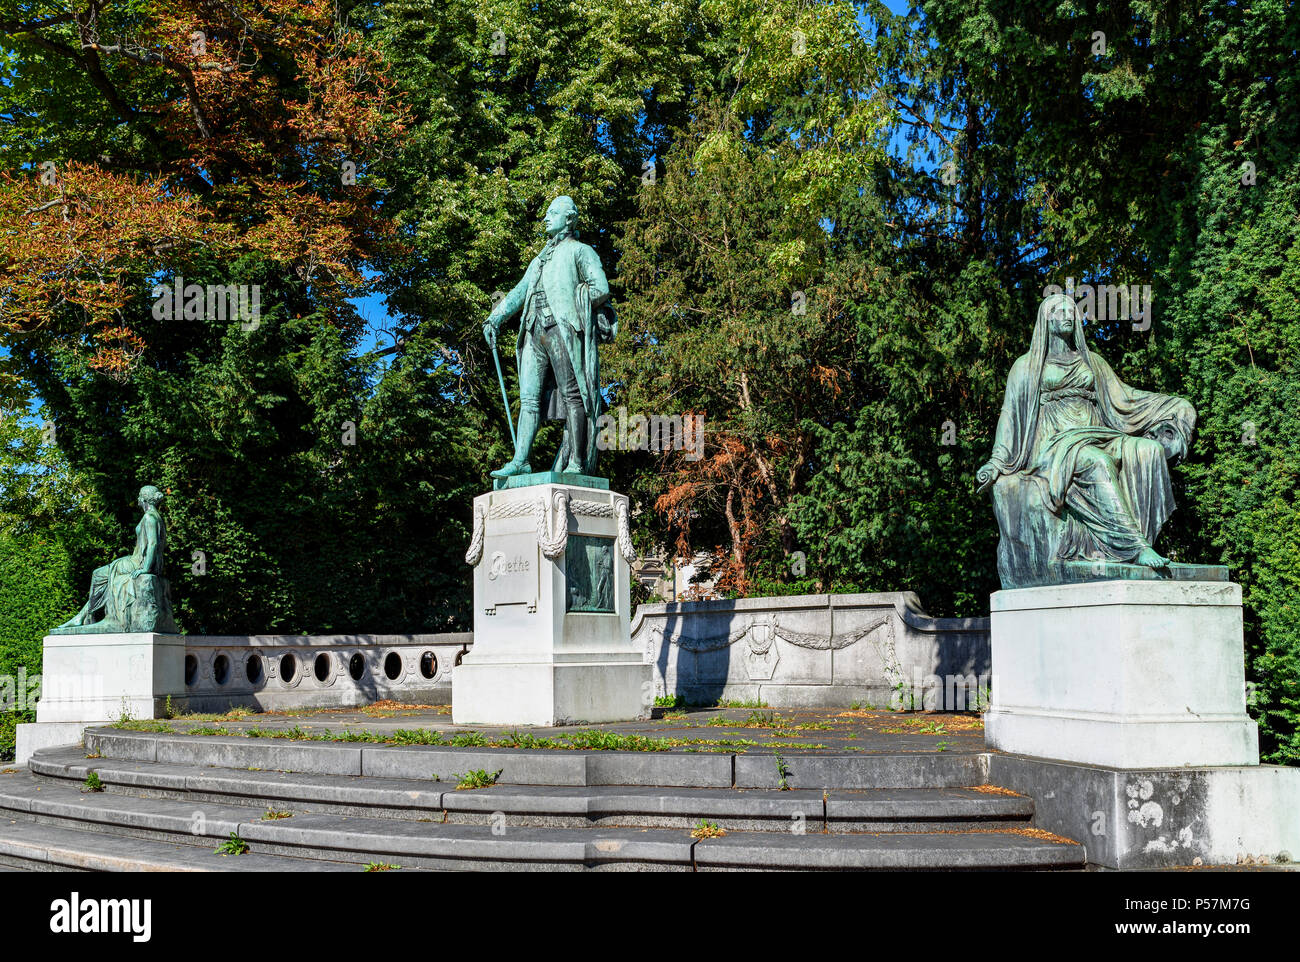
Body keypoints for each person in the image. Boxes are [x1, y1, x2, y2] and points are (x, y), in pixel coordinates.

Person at [976, 293, 1195, 587]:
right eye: (1059, 310)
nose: (1067, 315)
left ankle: (1139, 540)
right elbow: (1010, 416)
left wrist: (1174, 406)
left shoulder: (1094, 363)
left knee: (1148, 449)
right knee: (1097, 462)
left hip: (1098, 433)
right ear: (1046, 320)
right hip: (1055, 445)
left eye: (1071, 310)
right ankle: (1134, 547)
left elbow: (1127, 399)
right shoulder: (1026, 367)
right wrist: (995, 462)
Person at [483, 195, 615, 478]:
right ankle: (521, 460)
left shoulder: (581, 251)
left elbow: (600, 288)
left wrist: (576, 307)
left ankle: (577, 462)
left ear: (569, 218)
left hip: (561, 328)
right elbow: (519, 292)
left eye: (552, 213)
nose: (546, 217)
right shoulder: (539, 259)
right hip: (533, 331)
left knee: (572, 396)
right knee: (528, 399)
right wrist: (495, 317)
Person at [57, 484, 176, 632]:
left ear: (144, 499)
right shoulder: (156, 517)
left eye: (139, 496)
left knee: (99, 574)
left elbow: (153, 543)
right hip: (137, 560)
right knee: (103, 574)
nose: (138, 499)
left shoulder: (149, 517)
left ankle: (83, 617)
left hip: (138, 562)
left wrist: (145, 568)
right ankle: (82, 617)